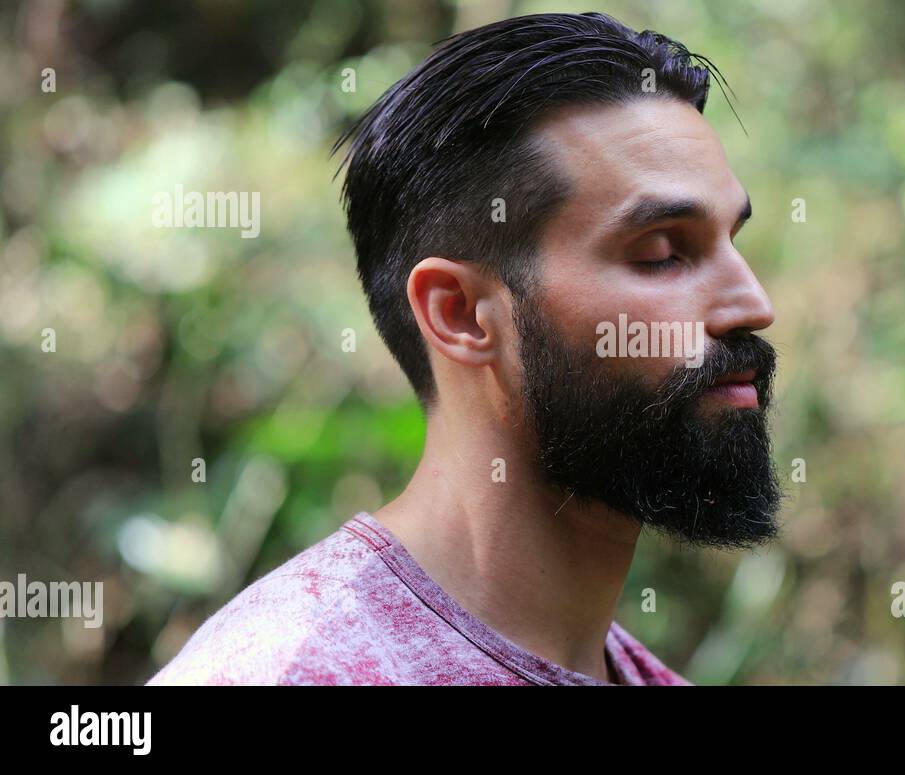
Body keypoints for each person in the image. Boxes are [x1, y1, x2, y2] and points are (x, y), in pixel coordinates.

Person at [149, 11, 780, 686]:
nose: (754, 305)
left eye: (730, 243)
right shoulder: (291, 670)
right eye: (662, 253)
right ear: (461, 314)